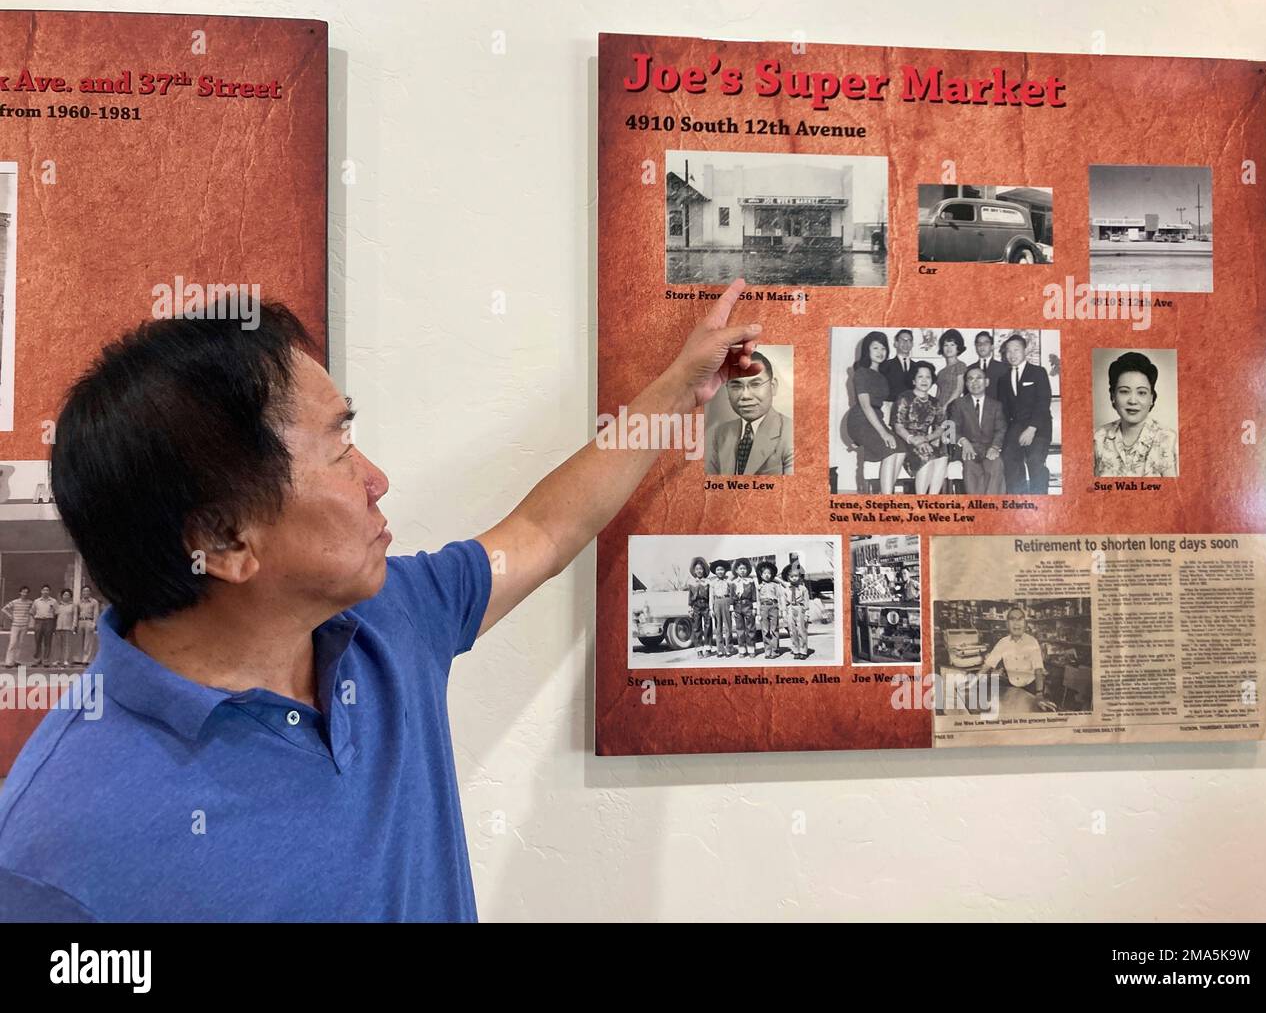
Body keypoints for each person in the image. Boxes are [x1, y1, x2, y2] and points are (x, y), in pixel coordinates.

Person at [0, 277, 764, 922]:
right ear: (225, 539)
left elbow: (540, 530)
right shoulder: (56, 843)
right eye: (338, 447)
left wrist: (677, 390)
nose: (376, 478)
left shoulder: (387, 618)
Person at [704, 350, 793, 476]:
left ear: (773, 386)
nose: (745, 395)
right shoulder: (719, 433)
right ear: (727, 389)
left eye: (755, 384)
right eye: (736, 386)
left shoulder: (792, 433)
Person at [1093, 351, 1178, 477]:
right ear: (1113, 396)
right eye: (1124, 391)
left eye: (1142, 393)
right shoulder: (1097, 438)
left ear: (1152, 398)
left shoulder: (1169, 440)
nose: (1133, 401)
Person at [996, 334, 1052, 495]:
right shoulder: (1003, 379)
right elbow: (1004, 411)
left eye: (1016, 350)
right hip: (1015, 427)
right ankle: (1017, 501)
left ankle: (1040, 501)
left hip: (1039, 427)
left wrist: (1032, 429)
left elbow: (1043, 402)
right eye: (1008, 351)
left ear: (1025, 350)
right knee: (1008, 458)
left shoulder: (1038, 372)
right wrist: (1005, 435)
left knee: (1035, 461)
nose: (1012, 354)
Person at [847, 330, 900, 495]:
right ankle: (887, 498)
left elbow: (883, 405)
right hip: (860, 419)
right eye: (875, 348)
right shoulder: (861, 372)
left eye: (883, 348)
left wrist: (889, 429)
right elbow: (866, 405)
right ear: (867, 351)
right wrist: (884, 434)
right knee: (890, 450)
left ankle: (886, 492)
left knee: (902, 448)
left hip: (875, 418)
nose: (880, 352)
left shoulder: (882, 376)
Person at [947, 365, 1007, 494]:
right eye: (970, 379)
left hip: (989, 448)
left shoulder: (996, 405)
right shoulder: (958, 404)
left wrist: (995, 447)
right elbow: (951, 429)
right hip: (967, 448)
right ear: (966, 383)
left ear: (986, 382)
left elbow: (1001, 429)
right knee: (970, 468)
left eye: (979, 378)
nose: (974, 382)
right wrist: (963, 442)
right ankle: (976, 507)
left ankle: (992, 507)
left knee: (996, 465)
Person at [891, 361, 949, 495]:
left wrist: (926, 438)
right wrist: (913, 439)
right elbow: (898, 426)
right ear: (913, 380)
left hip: (924, 439)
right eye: (920, 377)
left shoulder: (935, 402)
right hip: (905, 441)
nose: (924, 380)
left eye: (928, 377)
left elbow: (941, 427)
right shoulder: (904, 398)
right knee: (926, 455)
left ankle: (932, 499)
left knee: (943, 456)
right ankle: (921, 499)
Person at [980, 607, 1053, 710]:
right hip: (1012, 686)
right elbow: (988, 664)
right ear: (1007, 624)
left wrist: (1039, 694)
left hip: (1030, 688)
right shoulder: (1002, 643)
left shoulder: (1032, 642)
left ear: (1025, 623)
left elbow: (1038, 669)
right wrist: (974, 681)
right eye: (1012, 619)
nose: (1016, 623)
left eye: (1020, 619)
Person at [933, 328, 968, 416]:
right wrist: (935, 408)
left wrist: (946, 406)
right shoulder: (941, 372)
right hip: (940, 410)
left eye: (952, 345)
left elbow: (959, 389)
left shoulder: (960, 365)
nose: (949, 348)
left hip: (953, 408)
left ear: (958, 347)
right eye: (946, 345)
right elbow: (939, 392)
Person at [879, 329, 916, 402]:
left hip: (912, 408)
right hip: (891, 407)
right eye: (903, 340)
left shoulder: (917, 366)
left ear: (912, 344)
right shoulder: (885, 365)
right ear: (896, 343)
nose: (906, 343)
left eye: (909, 340)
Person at [686, 556, 712, 658]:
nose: (699, 571)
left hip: (706, 606)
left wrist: (710, 607)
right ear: (694, 571)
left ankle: (708, 648)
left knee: (708, 627)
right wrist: (690, 607)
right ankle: (699, 650)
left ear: (704, 570)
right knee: (696, 628)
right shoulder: (692, 583)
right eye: (697, 569)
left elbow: (710, 595)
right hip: (696, 606)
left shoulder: (708, 582)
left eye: (701, 569)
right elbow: (690, 597)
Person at [708, 558, 734, 658]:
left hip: (726, 601)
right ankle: (720, 649)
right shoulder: (712, 582)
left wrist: (731, 605)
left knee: (728, 626)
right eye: (718, 570)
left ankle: (729, 648)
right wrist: (711, 608)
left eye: (722, 569)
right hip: (716, 602)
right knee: (718, 627)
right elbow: (711, 596)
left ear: (725, 571)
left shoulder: (728, 581)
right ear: (715, 571)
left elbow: (732, 593)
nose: (720, 571)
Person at [731, 558, 757, 658]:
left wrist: (754, 608)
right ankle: (742, 650)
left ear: (747, 570)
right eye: (740, 569)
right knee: (739, 629)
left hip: (748, 606)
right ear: (736, 570)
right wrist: (732, 609)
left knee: (750, 628)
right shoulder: (733, 583)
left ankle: (751, 649)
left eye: (744, 569)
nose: (742, 570)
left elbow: (754, 595)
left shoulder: (750, 581)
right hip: (737, 606)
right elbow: (731, 596)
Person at [1, 585, 33, 668]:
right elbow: (4, 609)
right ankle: (8, 662)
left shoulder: (30, 602)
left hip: (24, 625)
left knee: (20, 644)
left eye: (26, 592)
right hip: (15, 625)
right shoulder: (15, 602)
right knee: (12, 643)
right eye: (23, 592)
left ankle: (16, 661)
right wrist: (10, 616)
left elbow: (34, 611)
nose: (24, 594)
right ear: (20, 592)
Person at [756, 561, 782, 660]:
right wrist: (758, 612)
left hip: (773, 606)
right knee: (765, 630)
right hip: (763, 607)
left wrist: (782, 610)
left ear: (772, 575)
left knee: (774, 629)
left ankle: (775, 651)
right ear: (761, 575)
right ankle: (767, 651)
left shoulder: (775, 585)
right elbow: (758, 600)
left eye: (769, 573)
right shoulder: (759, 586)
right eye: (764, 573)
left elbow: (780, 597)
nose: (767, 575)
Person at [784, 565, 810, 660]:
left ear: (799, 576)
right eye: (791, 576)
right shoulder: (786, 589)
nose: (794, 578)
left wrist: (807, 613)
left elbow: (806, 601)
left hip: (800, 609)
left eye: (796, 576)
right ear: (788, 577)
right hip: (790, 609)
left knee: (801, 630)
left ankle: (803, 651)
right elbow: (785, 602)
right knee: (792, 631)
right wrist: (785, 613)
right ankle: (796, 650)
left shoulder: (803, 589)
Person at [29, 585, 57, 668]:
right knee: (38, 641)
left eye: (47, 590)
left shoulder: (53, 601)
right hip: (39, 621)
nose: (45, 591)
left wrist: (53, 623)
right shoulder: (36, 601)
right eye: (44, 590)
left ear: (49, 591)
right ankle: (37, 659)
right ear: (41, 591)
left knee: (48, 642)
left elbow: (57, 613)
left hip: (49, 621)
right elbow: (32, 612)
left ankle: (46, 660)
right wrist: (36, 620)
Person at [77, 586, 100, 665]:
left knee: (88, 641)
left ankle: (86, 659)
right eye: (84, 591)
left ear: (90, 592)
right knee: (80, 641)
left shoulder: (94, 602)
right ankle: (79, 659)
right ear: (82, 592)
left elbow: (96, 613)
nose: (85, 593)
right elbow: (77, 613)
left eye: (87, 591)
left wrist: (94, 623)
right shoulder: (79, 602)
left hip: (89, 621)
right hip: (80, 621)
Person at [54, 588, 77, 668]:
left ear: (70, 596)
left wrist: (73, 626)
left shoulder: (73, 605)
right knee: (58, 645)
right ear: (62, 596)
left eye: (68, 595)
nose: (66, 596)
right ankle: (58, 660)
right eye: (64, 595)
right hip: (59, 627)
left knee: (67, 645)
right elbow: (55, 615)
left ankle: (66, 660)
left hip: (68, 627)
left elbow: (75, 616)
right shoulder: (58, 605)